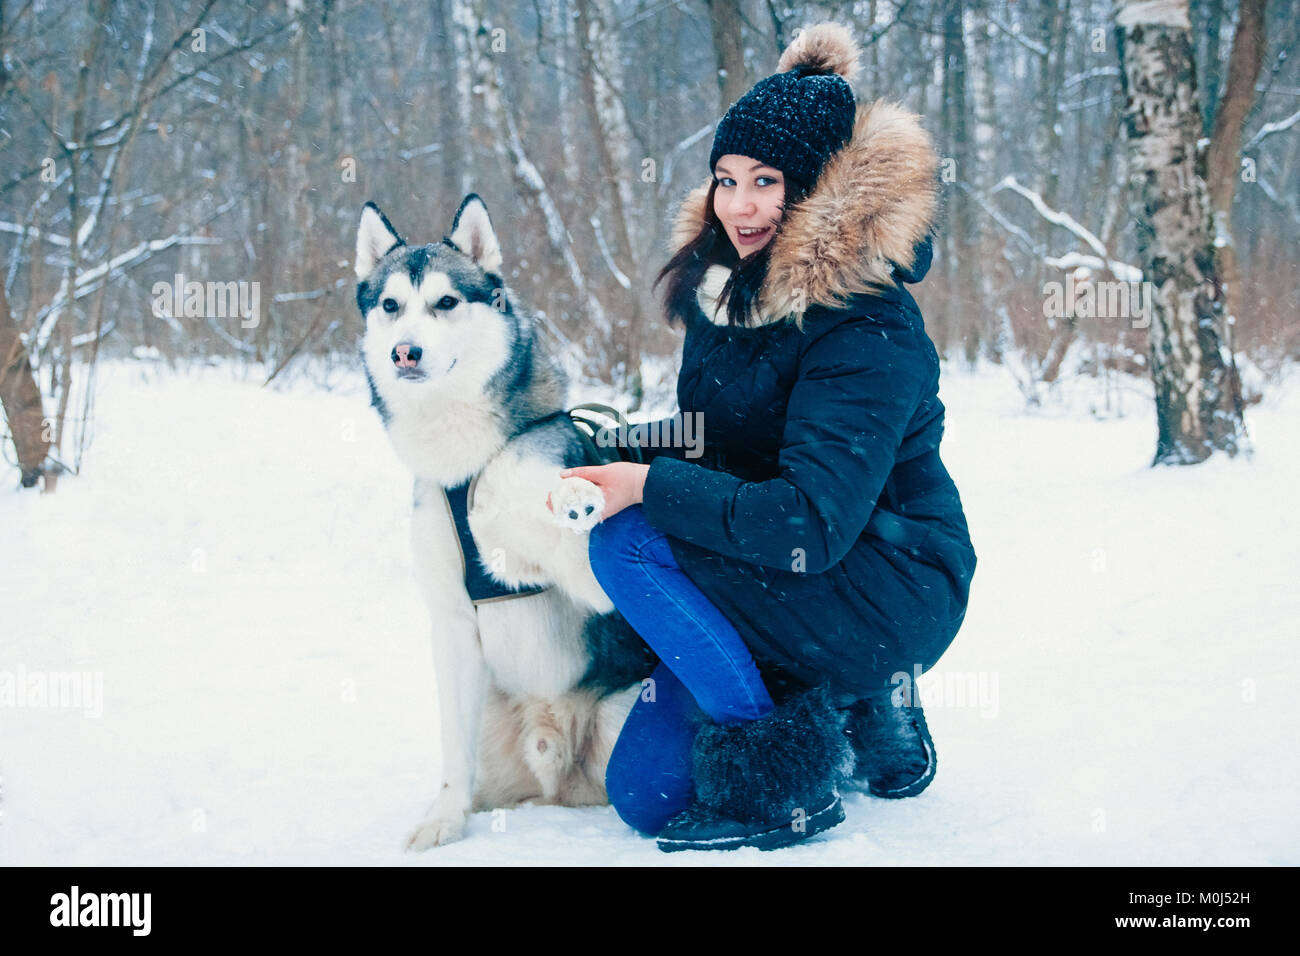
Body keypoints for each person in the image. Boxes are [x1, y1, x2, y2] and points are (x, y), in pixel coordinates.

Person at [554, 22, 976, 851]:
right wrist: (609, 447)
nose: (740, 207)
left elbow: (810, 522)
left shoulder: (868, 329)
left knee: (630, 543)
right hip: (773, 556)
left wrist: (643, 489)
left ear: (818, 189)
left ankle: (796, 763)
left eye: (767, 182)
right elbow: (720, 436)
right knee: (644, 793)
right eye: (726, 180)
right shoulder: (727, 294)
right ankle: (820, 687)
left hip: (883, 572)